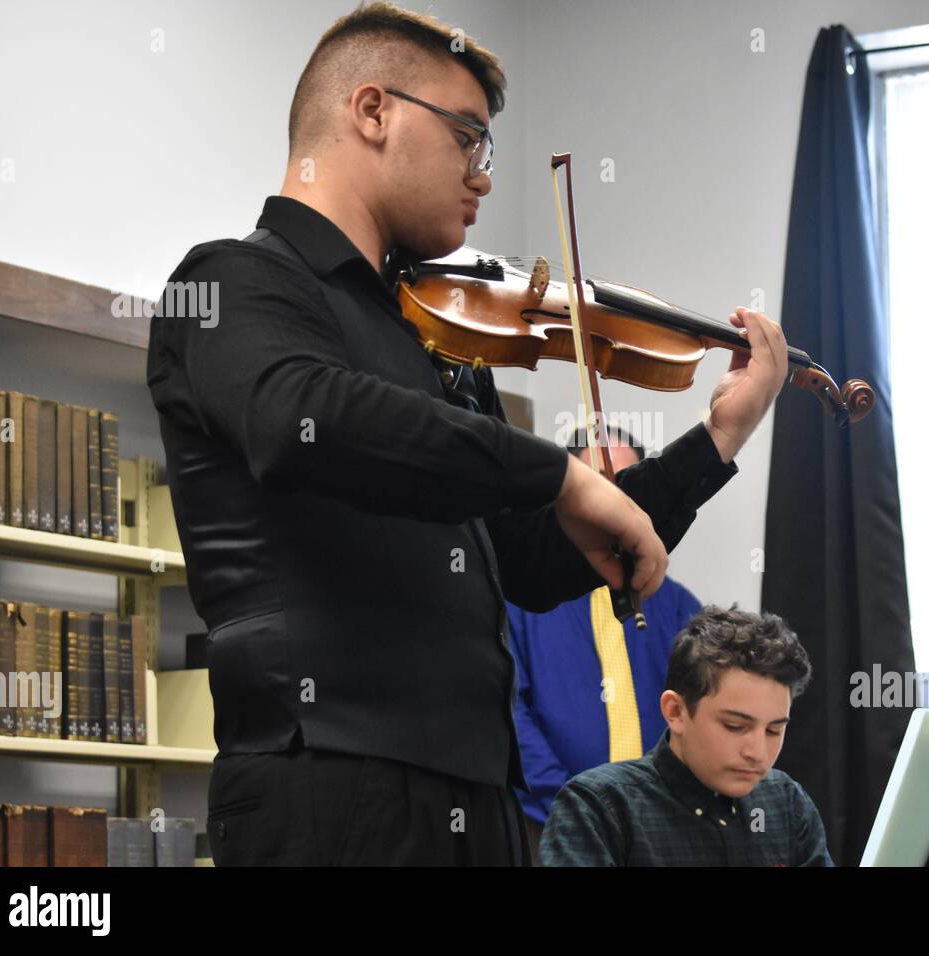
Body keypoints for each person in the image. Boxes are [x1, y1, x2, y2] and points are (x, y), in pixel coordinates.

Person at [146, 2, 789, 866]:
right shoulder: (232, 282)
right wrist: (560, 474)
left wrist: (713, 445)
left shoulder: (437, 337)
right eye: (467, 137)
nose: (484, 174)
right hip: (329, 783)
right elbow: (306, 420)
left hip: (478, 801)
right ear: (371, 111)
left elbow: (527, 559)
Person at [508, 425, 704, 860]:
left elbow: (700, 713)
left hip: (658, 827)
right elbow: (511, 711)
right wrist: (572, 802)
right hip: (550, 824)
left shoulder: (677, 605)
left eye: (627, 489)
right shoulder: (523, 598)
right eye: (595, 485)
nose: (612, 504)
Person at [539, 606, 833, 866]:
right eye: (734, 726)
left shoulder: (786, 802)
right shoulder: (600, 808)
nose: (757, 752)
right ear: (675, 711)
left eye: (774, 730)